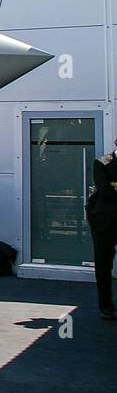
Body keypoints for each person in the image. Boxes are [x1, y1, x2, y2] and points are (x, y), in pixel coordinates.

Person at [85, 135, 117, 320]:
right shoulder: (102, 162)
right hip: (104, 222)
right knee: (103, 265)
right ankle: (106, 306)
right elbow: (104, 190)